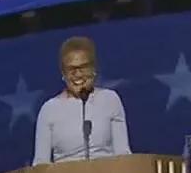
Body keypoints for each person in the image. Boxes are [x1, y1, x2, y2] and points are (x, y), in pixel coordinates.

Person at [33, 36, 131, 165]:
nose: (78, 75)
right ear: (63, 73)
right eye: (71, 70)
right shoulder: (49, 109)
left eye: (83, 67)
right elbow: (41, 164)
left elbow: (123, 154)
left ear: (93, 68)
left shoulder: (110, 99)